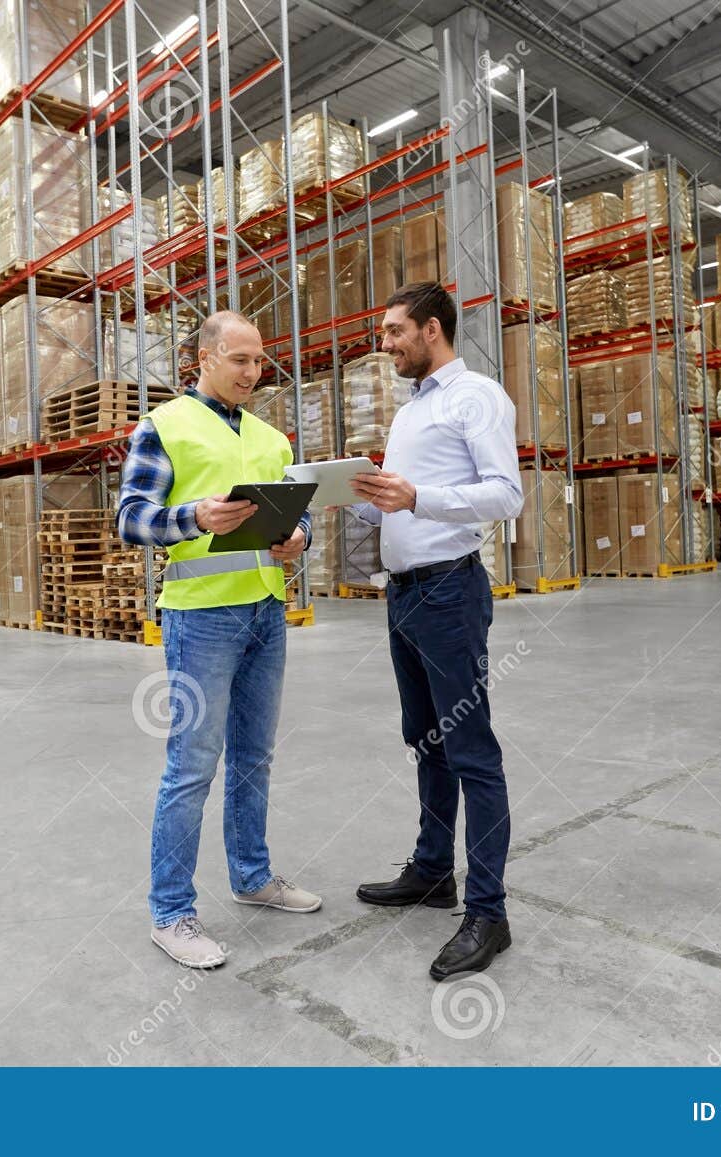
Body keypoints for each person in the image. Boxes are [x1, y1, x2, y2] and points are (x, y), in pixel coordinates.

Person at [117, 311, 321, 969]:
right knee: (192, 765)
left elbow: (300, 513)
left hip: (265, 610)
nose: (252, 372)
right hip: (201, 617)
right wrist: (195, 515)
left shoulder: (271, 438)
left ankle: (252, 876)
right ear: (203, 357)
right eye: (239, 359)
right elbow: (131, 518)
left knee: (254, 756)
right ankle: (171, 913)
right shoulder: (164, 426)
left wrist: (300, 539)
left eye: (259, 361)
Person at [348, 282, 524, 980]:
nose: (384, 342)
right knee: (425, 740)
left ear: (430, 328)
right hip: (405, 594)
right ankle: (431, 869)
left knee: (471, 750)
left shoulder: (475, 396)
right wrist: (359, 495)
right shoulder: (413, 410)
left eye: (394, 330)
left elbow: (506, 493)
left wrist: (416, 494)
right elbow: (402, 507)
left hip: (450, 590)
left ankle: (488, 910)